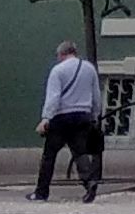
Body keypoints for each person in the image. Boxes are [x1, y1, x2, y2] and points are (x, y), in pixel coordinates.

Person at [34, 38, 106, 203]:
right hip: (83, 116)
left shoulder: (58, 71)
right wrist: (95, 115)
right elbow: (96, 95)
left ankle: (41, 192)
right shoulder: (89, 69)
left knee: (49, 155)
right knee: (80, 152)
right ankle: (90, 182)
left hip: (61, 117)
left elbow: (54, 97)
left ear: (61, 54)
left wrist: (46, 118)